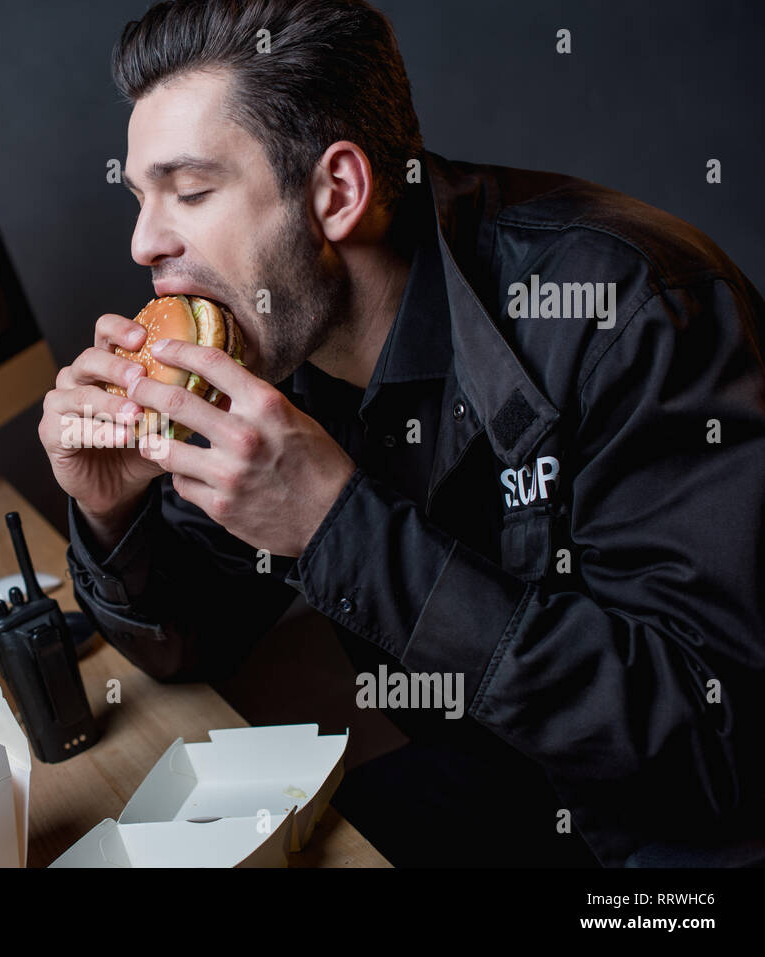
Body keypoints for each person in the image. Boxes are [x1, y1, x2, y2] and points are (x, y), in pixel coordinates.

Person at [37, 0, 765, 867]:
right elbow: (192, 644)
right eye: (140, 196)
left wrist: (336, 525)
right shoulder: (275, 345)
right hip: (503, 781)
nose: (143, 241)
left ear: (337, 193)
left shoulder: (631, 312)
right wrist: (112, 514)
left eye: (190, 191)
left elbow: (716, 745)